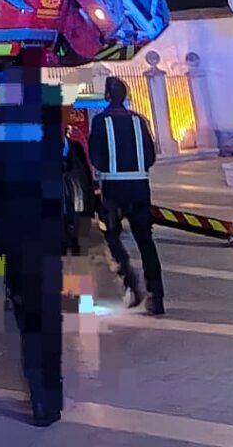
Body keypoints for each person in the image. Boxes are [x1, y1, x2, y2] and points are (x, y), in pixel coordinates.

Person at [0, 57, 64, 428]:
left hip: (13, 233)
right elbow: (56, 163)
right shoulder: (45, 120)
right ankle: (53, 393)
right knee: (48, 316)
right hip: (44, 230)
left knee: (26, 319)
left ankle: (39, 398)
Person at [89, 77, 164, 315]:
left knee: (111, 235)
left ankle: (130, 281)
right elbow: (151, 155)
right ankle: (156, 294)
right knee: (146, 241)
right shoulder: (139, 121)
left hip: (113, 189)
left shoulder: (101, 121)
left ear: (107, 96)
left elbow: (95, 156)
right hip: (141, 187)